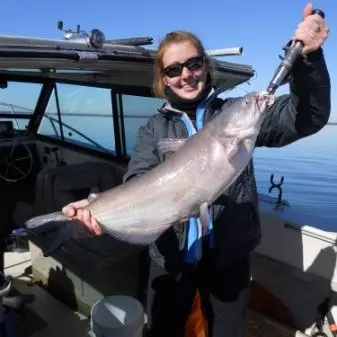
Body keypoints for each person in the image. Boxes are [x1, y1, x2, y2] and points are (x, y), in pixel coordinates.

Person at [62, 3, 331, 337]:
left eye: (193, 63)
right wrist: (93, 208)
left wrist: (309, 61)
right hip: (170, 260)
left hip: (229, 260)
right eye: (173, 69)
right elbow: (137, 180)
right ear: (163, 79)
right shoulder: (153, 130)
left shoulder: (238, 112)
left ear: (206, 65)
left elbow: (308, 116)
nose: (185, 74)